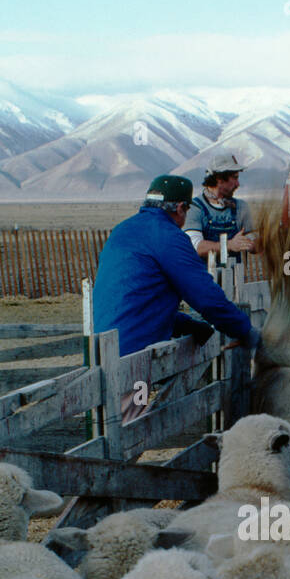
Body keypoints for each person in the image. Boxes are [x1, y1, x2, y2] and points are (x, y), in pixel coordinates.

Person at [92, 174, 260, 422]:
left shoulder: (123, 230)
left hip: (102, 349)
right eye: (186, 210)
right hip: (132, 357)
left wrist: (188, 326)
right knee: (127, 434)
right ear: (180, 208)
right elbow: (206, 298)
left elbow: (138, 299)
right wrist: (245, 331)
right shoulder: (168, 237)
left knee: (108, 426)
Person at [185, 152, 258, 260]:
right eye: (234, 178)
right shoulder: (195, 207)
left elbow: (255, 241)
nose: (238, 184)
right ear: (219, 178)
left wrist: (253, 244)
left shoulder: (241, 207)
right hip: (204, 275)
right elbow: (196, 247)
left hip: (236, 275)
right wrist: (229, 245)